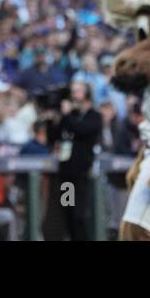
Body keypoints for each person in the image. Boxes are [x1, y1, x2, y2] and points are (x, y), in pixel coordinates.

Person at [54, 79, 102, 240]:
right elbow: (55, 135)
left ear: (87, 94)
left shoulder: (94, 116)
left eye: (78, 90)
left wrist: (67, 116)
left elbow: (83, 130)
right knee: (67, 212)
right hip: (66, 172)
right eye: (72, 91)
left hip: (81, 173)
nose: (74, 94)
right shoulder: (70, 115)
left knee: (79, 214)